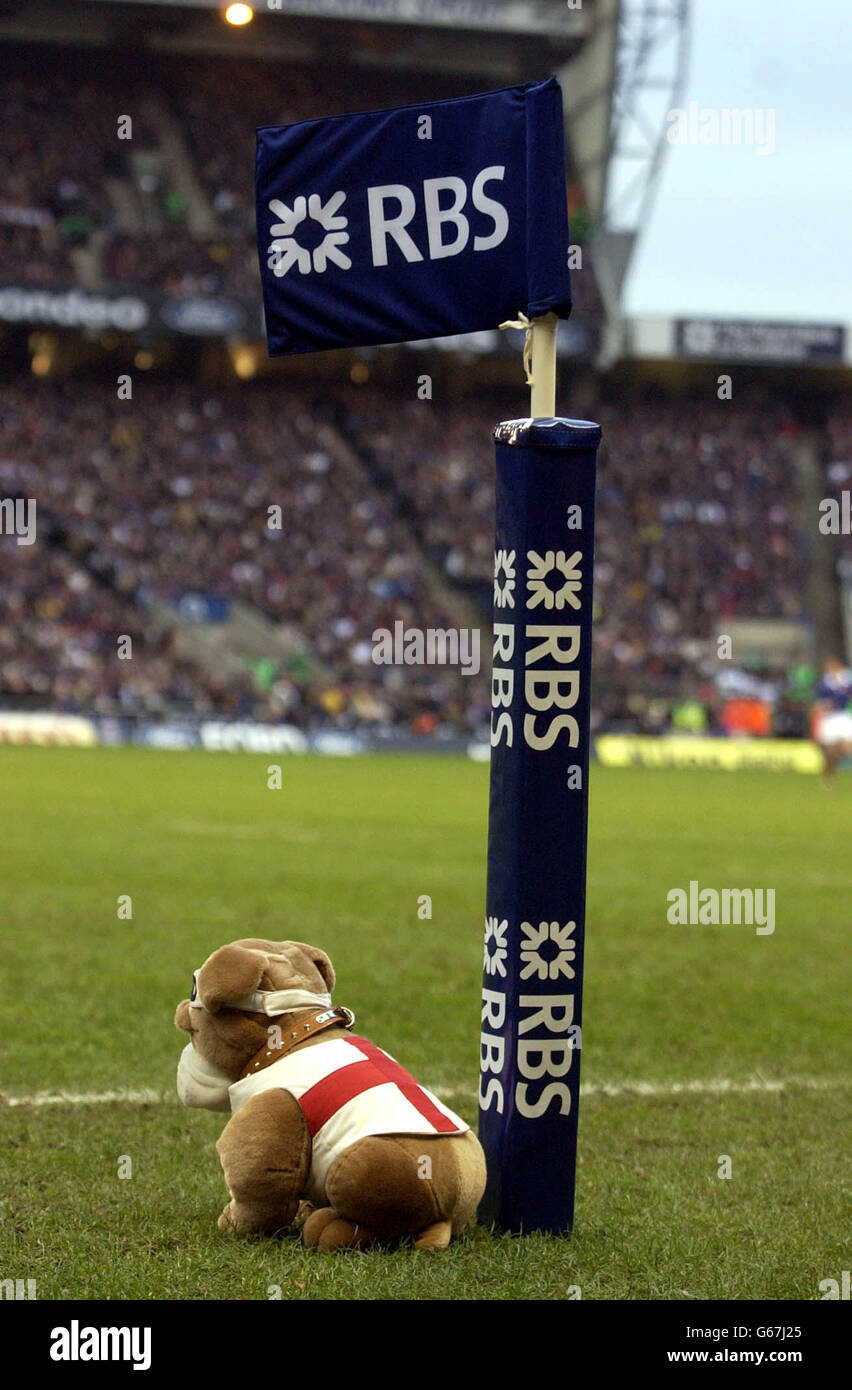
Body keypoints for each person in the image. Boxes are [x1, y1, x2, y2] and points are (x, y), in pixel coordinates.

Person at [812, 657, 852, 781]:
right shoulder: (824, 683)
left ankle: (831, 769)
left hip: (844, 715)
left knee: (847, 746)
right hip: (830, 718)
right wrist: (823, 705)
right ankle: (828, 773)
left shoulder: (847, 680)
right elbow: (818, 703)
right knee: (830, 750)